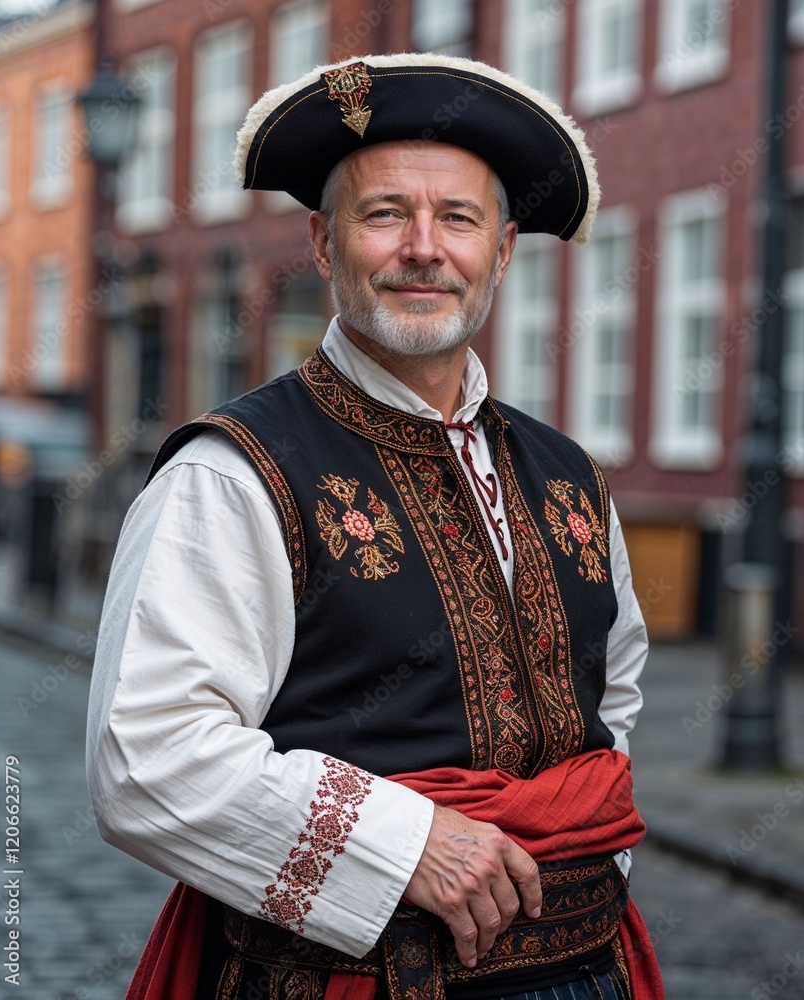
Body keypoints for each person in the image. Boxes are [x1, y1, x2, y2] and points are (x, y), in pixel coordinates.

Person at [87, 53, 663, 1000]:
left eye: (460, 218)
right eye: (385, 212)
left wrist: (582, 866)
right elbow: (145, 759)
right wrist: (408, 847)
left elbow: (617, 702)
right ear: (322, 243)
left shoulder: (571, 478)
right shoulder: (232, 474)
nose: (424, 248)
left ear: (504, 251)